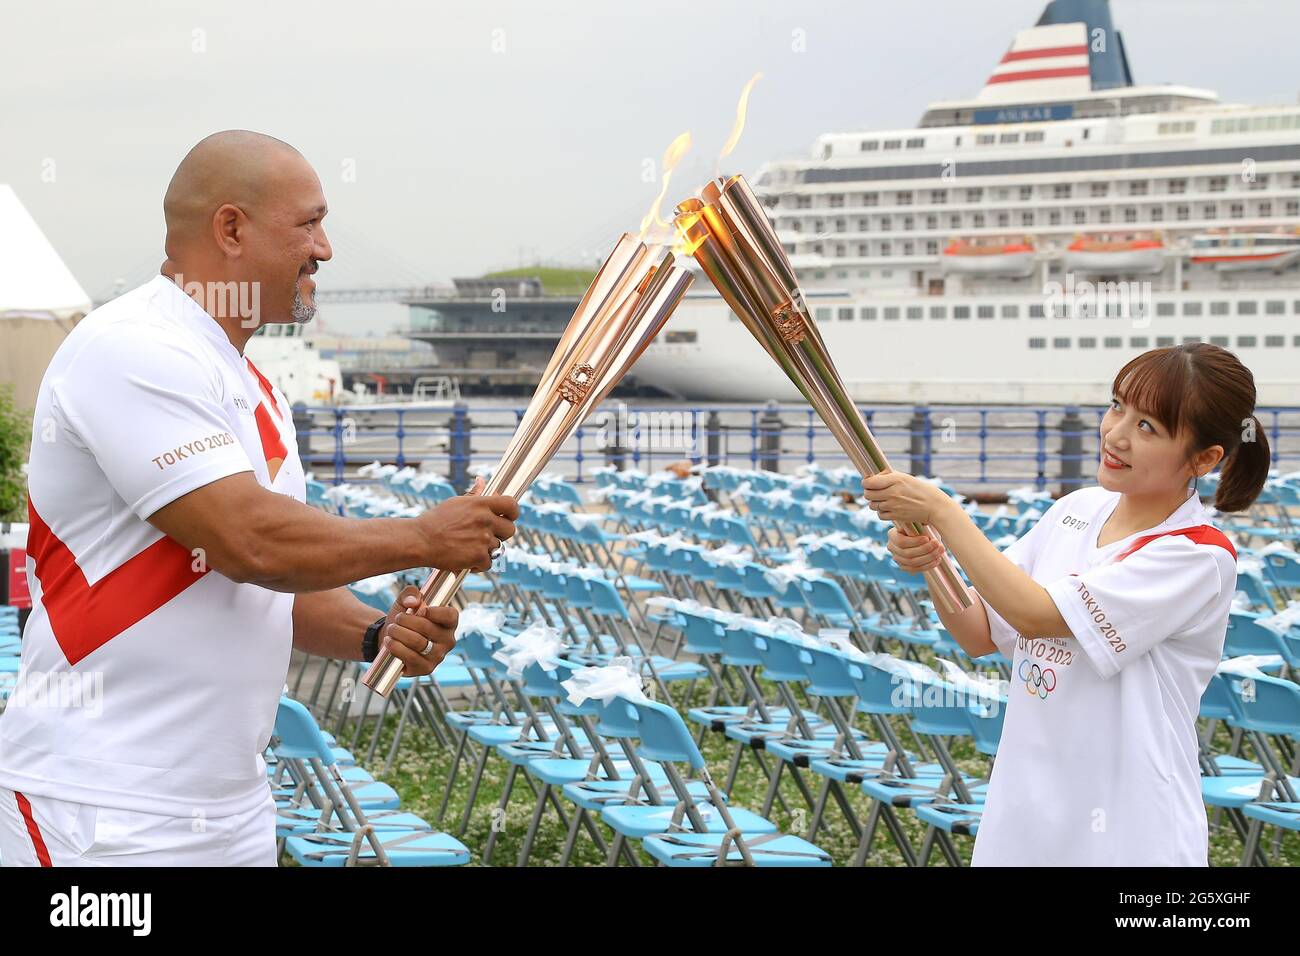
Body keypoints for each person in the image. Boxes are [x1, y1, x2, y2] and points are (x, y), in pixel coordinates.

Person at [0, 130, 519, 866]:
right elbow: (250, 541)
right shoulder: (131, 348)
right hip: (101, 808)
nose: (327, 249)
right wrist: (425, 537)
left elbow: (263, 587)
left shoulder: (254, 387)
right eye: (308, 223)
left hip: (229, 805)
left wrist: (374, 634)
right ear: (231, 229)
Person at [861, 343, 1270, 866]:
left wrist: (944, 513)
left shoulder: (1195, 555)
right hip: (1025, 809)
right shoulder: (1077, 509)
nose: (1116, 434)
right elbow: (980, 630)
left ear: (1205, 457)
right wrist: (933, 560)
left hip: (1126, 829)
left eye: (1148, 427)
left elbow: (1038, 616)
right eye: (1118, 405)